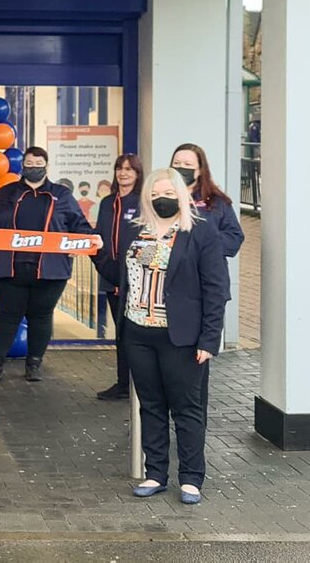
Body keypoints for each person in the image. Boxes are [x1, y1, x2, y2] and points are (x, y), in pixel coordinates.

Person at [95, 168, 229, 505]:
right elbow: (119, 276)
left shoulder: (201, 232)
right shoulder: (136, 231)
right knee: (151, 407)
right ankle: (155, 472)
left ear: (181, 195)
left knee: (187, 409)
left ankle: (191, 478)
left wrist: (209, 340)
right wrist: (95, 251)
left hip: (181, 337)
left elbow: (217, 290)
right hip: (138, 333)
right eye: (155, 194)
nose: (161, 198)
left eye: (168, 192)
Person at [0, 146, 99, 383]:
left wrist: (81, 243)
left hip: (50, 270)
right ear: (22, 166)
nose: (33, 168)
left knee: (41, 316)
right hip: (10, 268)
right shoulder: (7, 193)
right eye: (29, 164)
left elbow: (80, 226)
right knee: (7, 316)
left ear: (47, 166)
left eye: (38, 164)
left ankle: (34, 364)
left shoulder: (61, 195)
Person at [93, 153, 144, 401]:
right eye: (119, 169)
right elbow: (99, 237)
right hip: (110, 277)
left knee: (134, 333)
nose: (123, 173)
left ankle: (140, 382)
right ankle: (123, 383)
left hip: (136, 280)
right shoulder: (106, 203)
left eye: (129, 169)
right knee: (120, 333)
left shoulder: (143, 202)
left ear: (137, 173)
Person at [170, 143, 244, 261]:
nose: (181, 167)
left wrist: (202, 243)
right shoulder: (160, 198)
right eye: (176, 163)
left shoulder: (217, 201)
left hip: (207, 270)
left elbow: (234, 238)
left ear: (200, 170)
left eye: (188, 164)